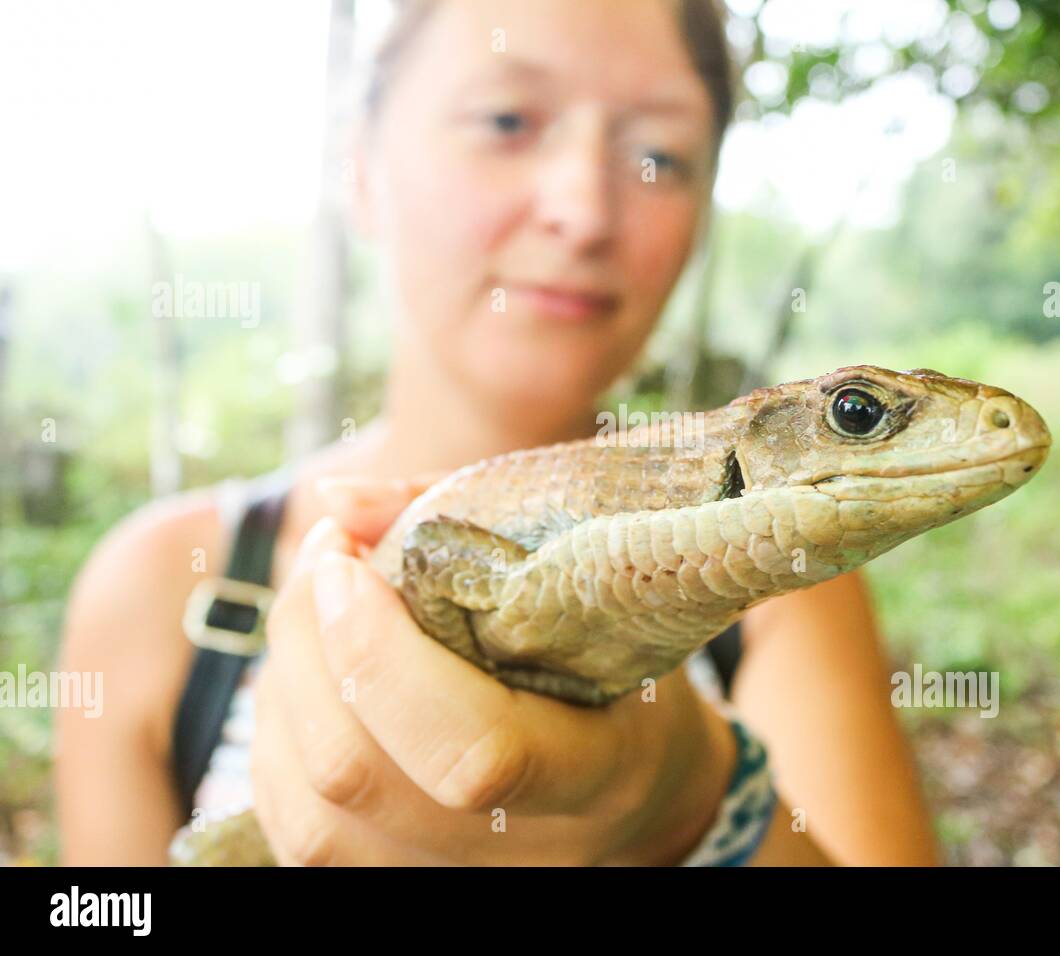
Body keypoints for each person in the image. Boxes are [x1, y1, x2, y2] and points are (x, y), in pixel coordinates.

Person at [56, 0, 939, 866]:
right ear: (361, 167)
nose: (585, 209)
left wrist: (692, 804)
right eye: (508, 119)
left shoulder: (792, 572)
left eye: (660, 155)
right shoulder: (163, 586)